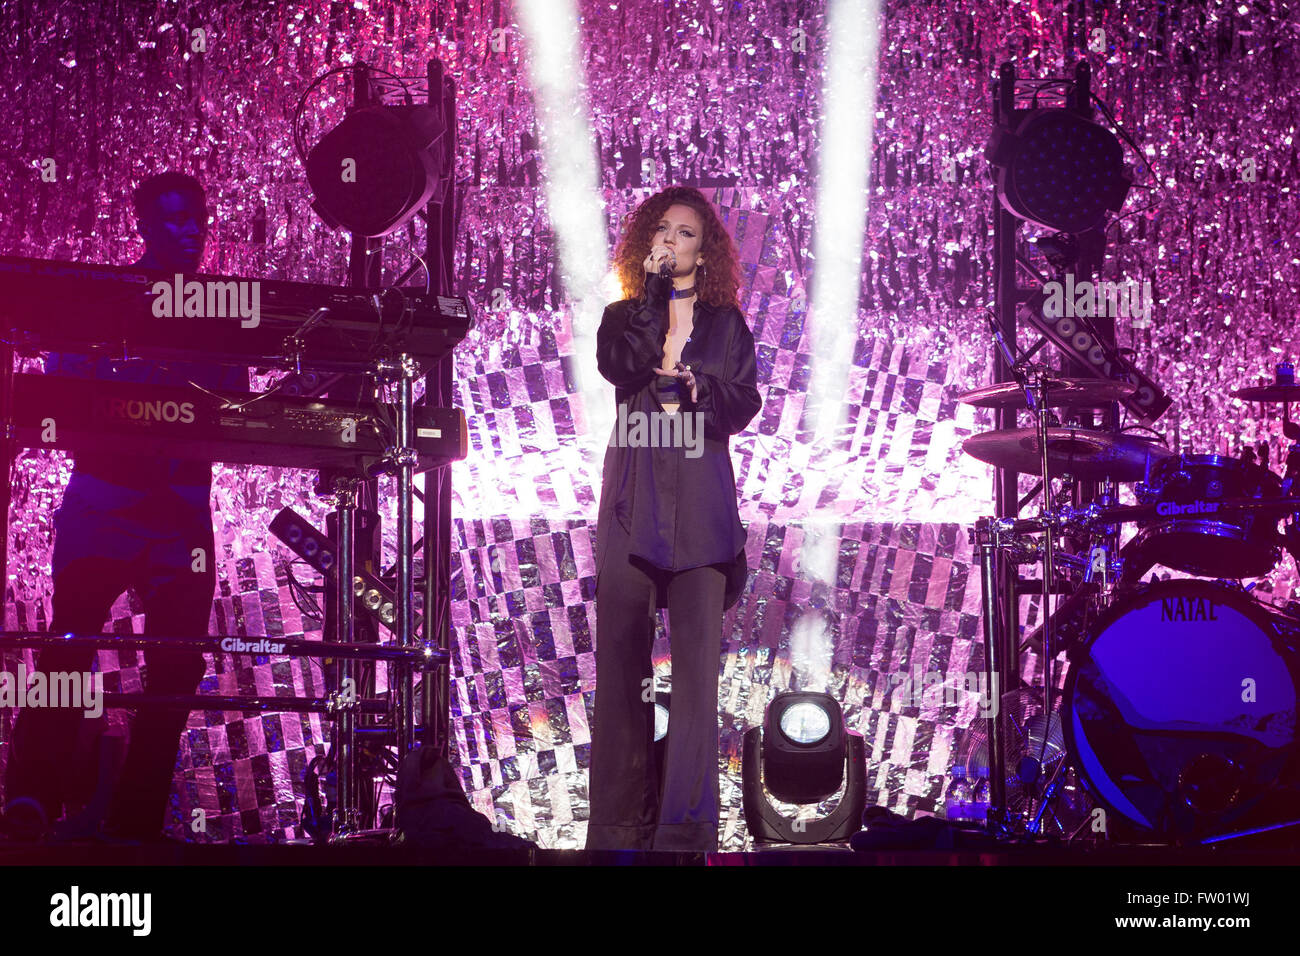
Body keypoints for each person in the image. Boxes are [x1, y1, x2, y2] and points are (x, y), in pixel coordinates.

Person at [0, 172, 248, 843]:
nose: (189, 231)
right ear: (142, 228)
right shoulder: (103, 299)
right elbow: (63, 392)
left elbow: (239, 411)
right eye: (172, 220)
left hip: (181, 508)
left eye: (195, 217)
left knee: (176, 663)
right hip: (107, 502)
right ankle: (29, 801)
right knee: (69, 644)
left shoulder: (224, 307)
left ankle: (135, 819)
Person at [586, 186, 761, 852]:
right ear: (646, 245)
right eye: (662, 230)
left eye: (686, 233)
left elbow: (744, 402)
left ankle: (684, 834)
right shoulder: (624, 314)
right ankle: (614, 830)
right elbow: (620, 365)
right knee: (622, 669)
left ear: (704, 248)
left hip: (700, 494)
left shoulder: (727, 325)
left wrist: (699, 388)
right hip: (636, 491)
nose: (672, 241)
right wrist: (653, 298)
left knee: (695, 682)